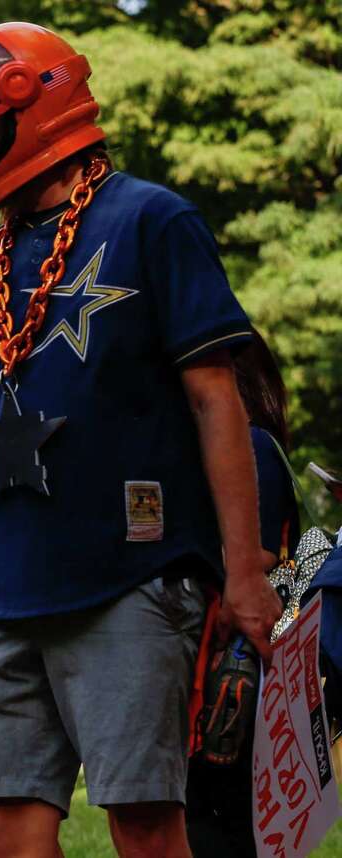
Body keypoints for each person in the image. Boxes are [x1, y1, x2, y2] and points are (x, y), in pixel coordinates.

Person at [0, 21, 282, 857]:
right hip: (0, 594)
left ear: (30, 109)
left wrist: (247, 572)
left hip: (133, 577)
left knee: (144, 824)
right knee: (4, 824)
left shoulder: (155, 220)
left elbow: (218, 401)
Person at [185, 331, 299, 858]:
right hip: (246, 666)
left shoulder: (251, 446)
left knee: (216, 821)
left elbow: (260, 556)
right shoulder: (263, 445)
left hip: (234, 664)